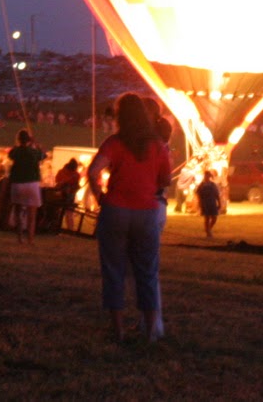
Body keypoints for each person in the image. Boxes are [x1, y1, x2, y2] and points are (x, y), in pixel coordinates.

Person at [88, 92, 172, 343]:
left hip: (115, 210)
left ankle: (118, 330)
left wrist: (100, 197)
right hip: (147, 212)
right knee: (146, 272)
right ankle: (149, 331)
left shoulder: (114, 143)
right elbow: (165, 181)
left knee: (114, 270)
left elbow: (93, 172)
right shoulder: (157, 146)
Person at [7, 130, 46, 244]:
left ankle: (19, 238)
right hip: (32, 183)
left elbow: (11, 153)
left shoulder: (16, 152)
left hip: (17, 183)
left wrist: (19, 144)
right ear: (29, 140)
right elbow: (43, 155)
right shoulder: (34, 152)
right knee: (31, 214)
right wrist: (35, 144)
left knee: (18, 212)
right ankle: (30, 239)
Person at [196, 169, 221, 238]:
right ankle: (208, 232)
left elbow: (217, 194)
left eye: (208, 175)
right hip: (205, 203)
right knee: (206, 218)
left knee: (214, 218)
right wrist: (200, 203)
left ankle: (208, 229)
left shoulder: (213, 184)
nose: (207, 177)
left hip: (212, 202)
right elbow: (198, 194)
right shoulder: (201, 185)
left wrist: (219, 203)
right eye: (206, 175)